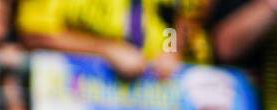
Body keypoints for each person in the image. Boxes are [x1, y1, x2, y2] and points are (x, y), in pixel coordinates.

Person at [18, 0, 180, 81]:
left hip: (143, 109)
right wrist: (106, 49)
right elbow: (34, 32)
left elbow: (171, 25)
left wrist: (169, 50)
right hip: (75, 109)